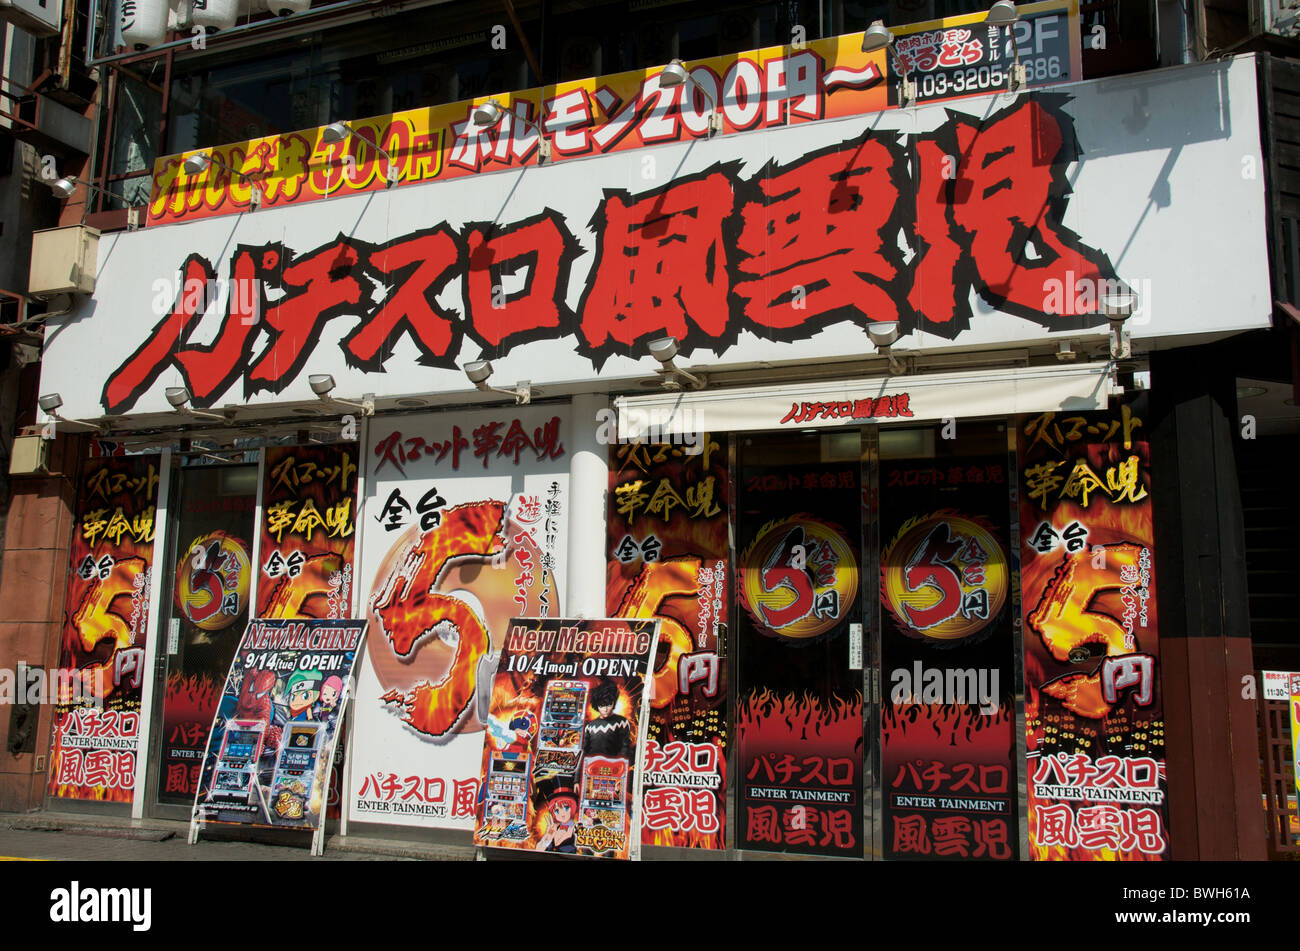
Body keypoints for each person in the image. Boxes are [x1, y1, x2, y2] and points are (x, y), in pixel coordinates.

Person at [582, 681, 632, 759]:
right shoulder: (590, 726)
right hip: (592, 766)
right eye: (601, 706)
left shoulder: (622, 722)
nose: (605, 709)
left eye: (608, 705)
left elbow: (625, 748)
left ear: (614, 703)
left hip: (613, 766)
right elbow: (585, 750)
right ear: (596, 706)